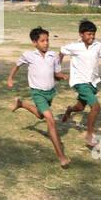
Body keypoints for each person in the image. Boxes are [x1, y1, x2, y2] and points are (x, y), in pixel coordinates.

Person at [8, 26, 71, 167]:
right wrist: (10, 78)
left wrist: (64, 76)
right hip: (37, 93)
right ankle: (61, 156)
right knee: (51, 121)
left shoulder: (53, 56)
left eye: (47, 40)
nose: (46, 43)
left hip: (50, 92)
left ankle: (21, 104)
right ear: (34, 42)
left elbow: (56, 73)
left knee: (41, 115)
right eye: (42, 41)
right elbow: (17, 65)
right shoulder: (28, 55)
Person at [59, 20, 101, 148]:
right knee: (96, 106)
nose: (91, 37)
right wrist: (57, 70)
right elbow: (61, 52)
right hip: (79, 81)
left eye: (93, 34)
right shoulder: (74, 46)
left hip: (92, 81)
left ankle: (70, 110)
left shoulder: (98, 46)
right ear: (81, 34)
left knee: (81, 107)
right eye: (89, 34)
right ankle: (89, 136)